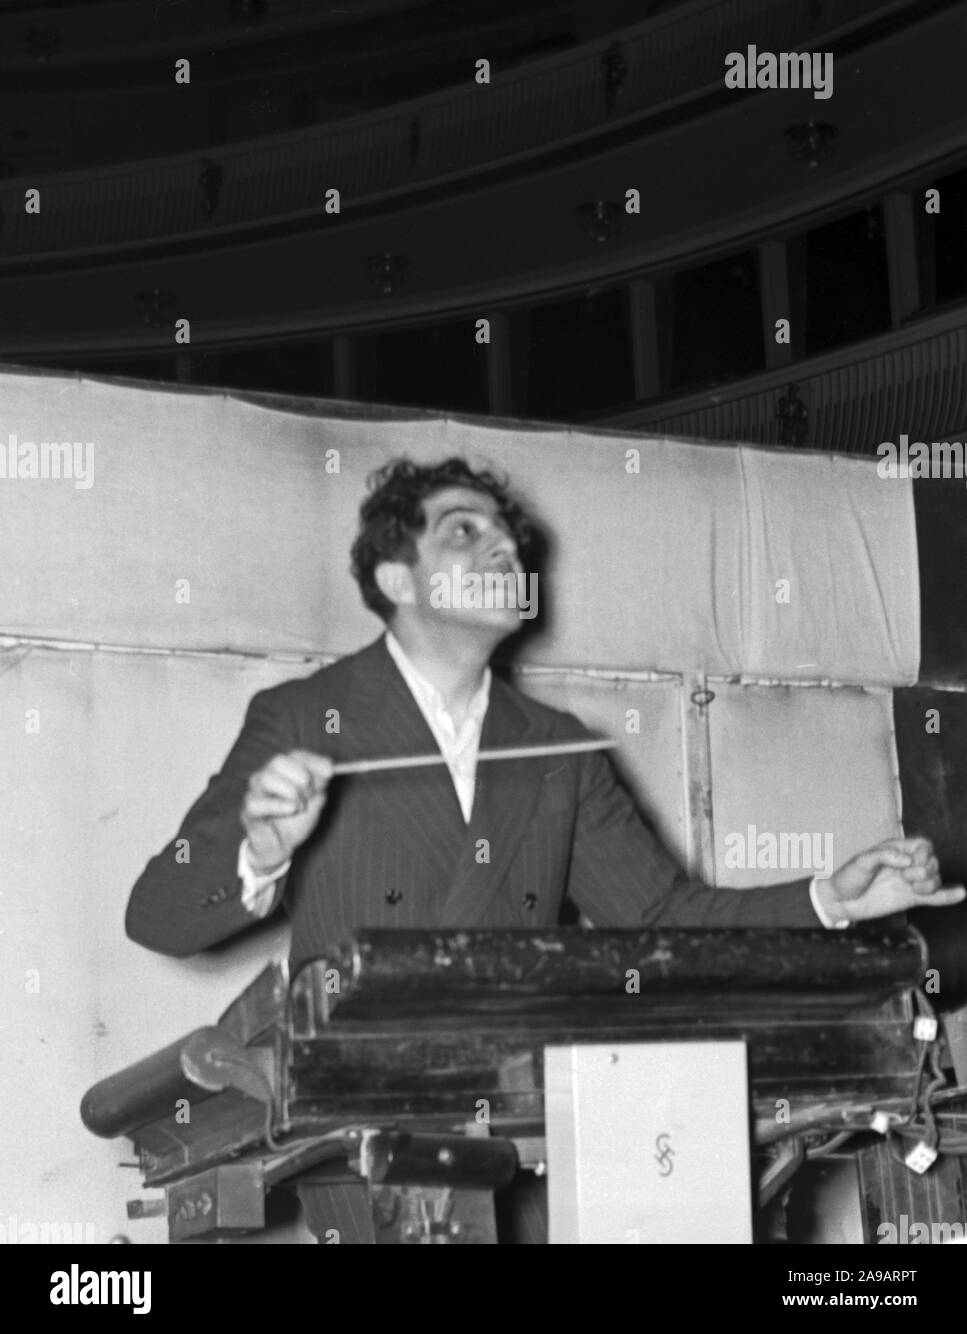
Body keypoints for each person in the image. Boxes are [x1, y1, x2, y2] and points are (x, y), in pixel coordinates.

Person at [125, 456, 962, 1242]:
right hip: (362, 1112)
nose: (503, 545)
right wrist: (258, 854)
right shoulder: (305, 716)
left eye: (508, 533)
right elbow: (157, 916)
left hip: (527, 1108)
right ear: (395, 579)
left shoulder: (556, 751)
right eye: (463, 530)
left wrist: (829, 900)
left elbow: (660, 916)